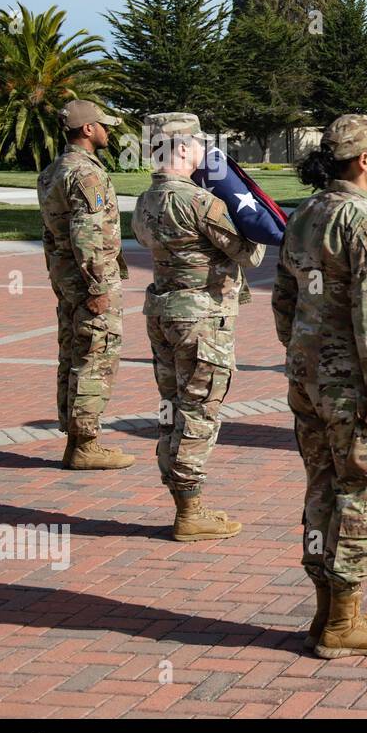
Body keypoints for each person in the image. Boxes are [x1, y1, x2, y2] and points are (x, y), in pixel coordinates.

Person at [271, 114, 367, 658]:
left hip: (307, 378)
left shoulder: (306, 211)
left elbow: (284, 296)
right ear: (362, 160)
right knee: (361, 491)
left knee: (321, 488)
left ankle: (326, 610)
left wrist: (299, 354)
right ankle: (342, 623)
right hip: (351, 382)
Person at [132, 113, 265, 541]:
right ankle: (189, 511)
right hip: (201, 318)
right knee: (200, 409)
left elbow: (146, 241)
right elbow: (248, 254)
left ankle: (182, 499)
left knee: (172, 406)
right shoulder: (200, 202)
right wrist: (258, 222)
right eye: (201, 147)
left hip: (163, 313)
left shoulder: (144, 200)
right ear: (184, 149)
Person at [36, 100, 134, 470]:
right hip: (89, 281)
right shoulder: (86, 174)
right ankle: (87, 444)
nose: (108, 131)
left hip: (66, 279)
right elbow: (88, 234)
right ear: (88, 129)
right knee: (96, 356)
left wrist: (61, 279)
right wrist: (97, 287)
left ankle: (76, 441)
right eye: (103, 125)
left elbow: (50, 235)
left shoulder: (52, 171)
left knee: (74, 356)